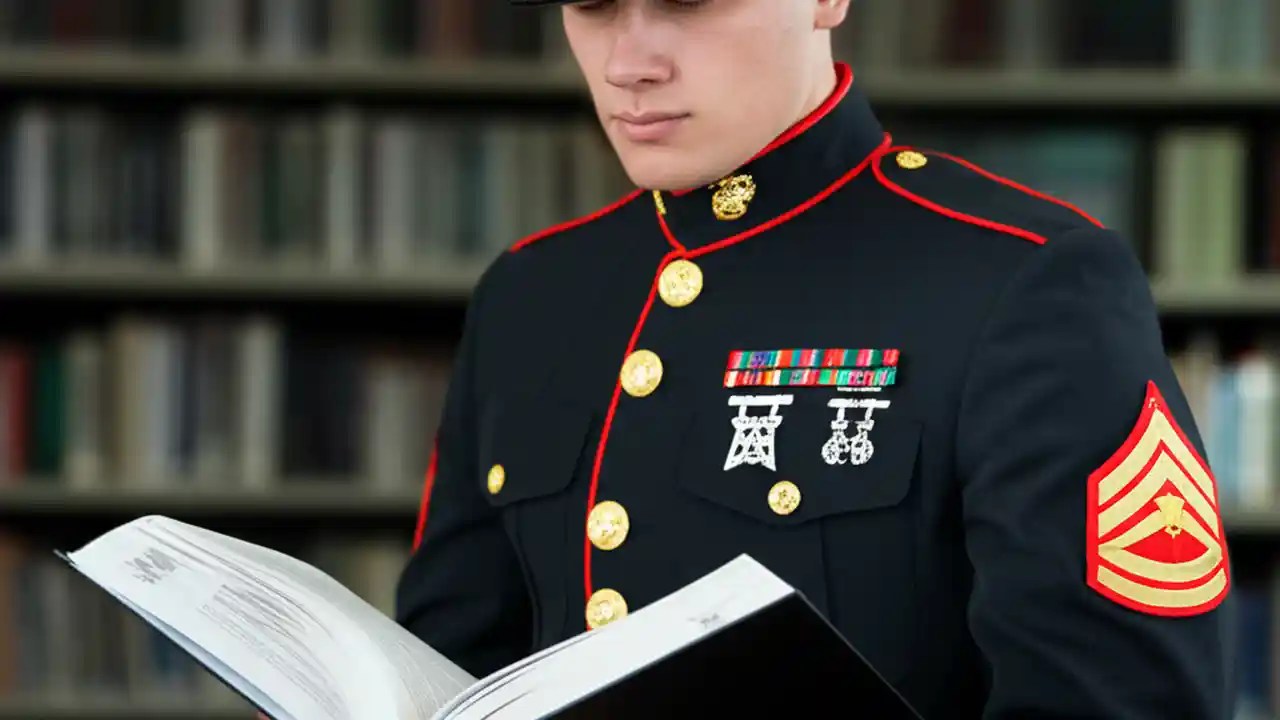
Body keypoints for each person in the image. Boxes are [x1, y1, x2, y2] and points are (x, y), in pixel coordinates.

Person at [394, 0, 1237, 717]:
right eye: (592, 5)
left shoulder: (1022, 278)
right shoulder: (530, 294)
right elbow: (447, 671)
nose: (627, 63)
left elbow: (1121, 702)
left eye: (689, 2)